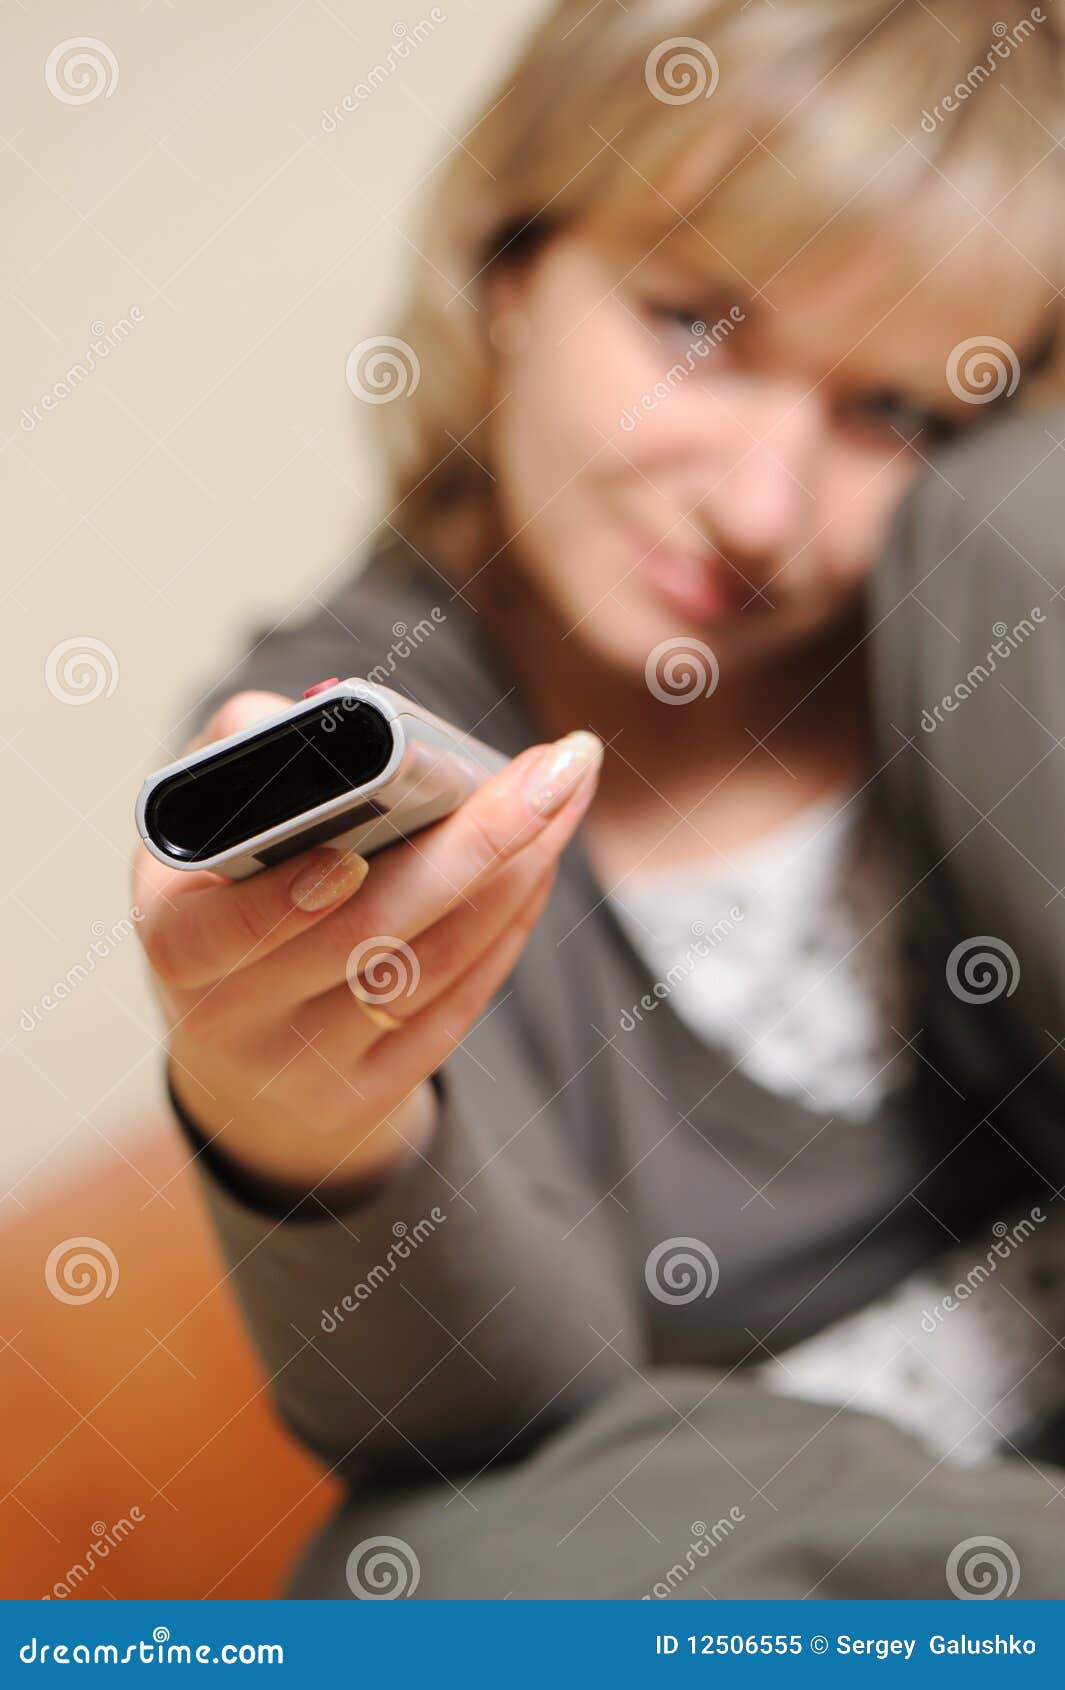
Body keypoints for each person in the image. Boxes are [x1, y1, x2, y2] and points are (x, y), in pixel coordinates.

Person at [134, 0, 1065, 1597]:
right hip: (844, 1557)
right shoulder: (361, 723)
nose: (760, 505)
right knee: (420, 1570)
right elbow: (505, 1430)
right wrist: (323, 1135)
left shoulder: (985, 588)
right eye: (696, 324)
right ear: (505, 273)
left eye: (895, 413)